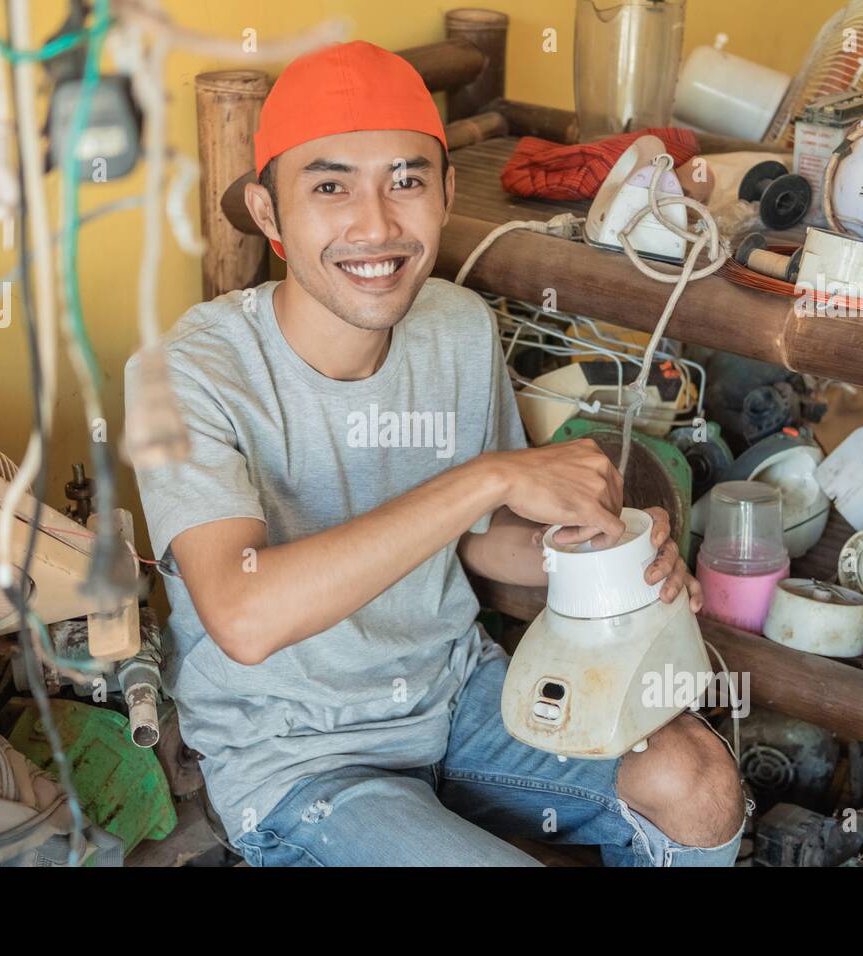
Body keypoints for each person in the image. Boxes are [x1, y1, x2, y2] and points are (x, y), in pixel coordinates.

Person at [125, 40, 746, 866]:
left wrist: (604, 551)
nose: (376, 224)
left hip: (456, 698)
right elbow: (243, 617)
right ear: (269, 214)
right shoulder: (184, 372)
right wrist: (488, 476)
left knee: (699, 784)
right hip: (302, 761)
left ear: (447, 192)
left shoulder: (455, 324)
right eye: (330, 185)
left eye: (407, 181)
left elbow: (478, 540)